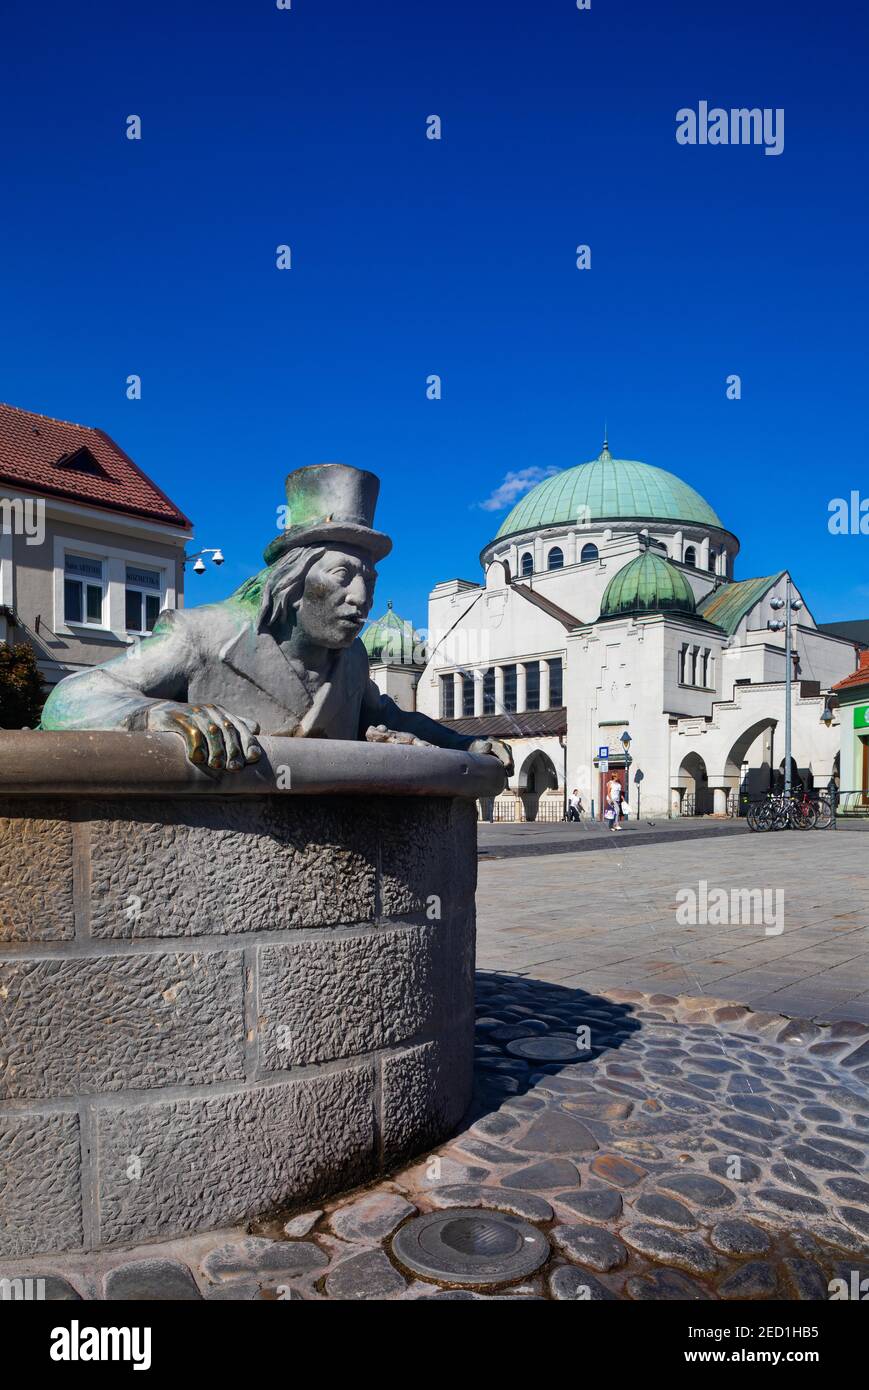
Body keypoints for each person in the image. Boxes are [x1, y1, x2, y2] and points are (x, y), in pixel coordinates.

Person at [40, 463, 515, 774]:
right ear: (292, 582)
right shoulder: (203, 634)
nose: (362, 597)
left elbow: (388, 714)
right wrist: (161, 714)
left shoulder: (349, 659)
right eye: (343, 574)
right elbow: (71, 698)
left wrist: (464, 745)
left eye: (370, 579)